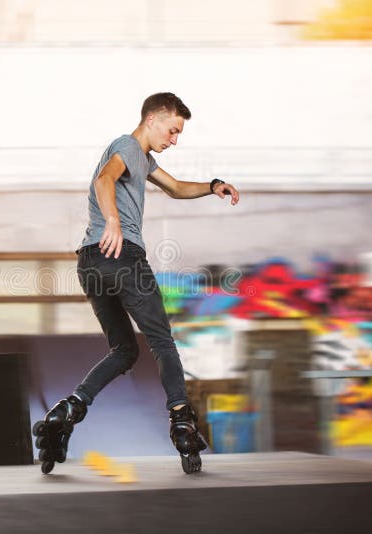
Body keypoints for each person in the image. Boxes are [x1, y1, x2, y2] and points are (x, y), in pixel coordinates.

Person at [32, 92, 239, 474]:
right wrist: (113, 221)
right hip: (121, 255)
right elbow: (103, 179)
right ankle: (181, 419)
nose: (174, 140)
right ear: (153, 119)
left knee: (124, 351)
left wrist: (212, 185)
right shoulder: (127, 145)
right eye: (173, 130)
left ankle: (68, 409)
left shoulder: (143, 159)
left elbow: (175, 187)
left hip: (91, 264)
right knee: (162, 341)